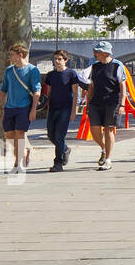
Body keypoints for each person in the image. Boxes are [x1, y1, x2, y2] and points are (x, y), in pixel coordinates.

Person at [85, 40, 130, 170]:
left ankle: (108, 160)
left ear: (105, 53)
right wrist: (88, 102)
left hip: (112, 102)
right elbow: (92, 85)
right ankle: (104, 148)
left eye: (97, 51)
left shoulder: (117, 65)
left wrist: (122, 104)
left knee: (109, 129)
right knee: (94, 131)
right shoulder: (95, 66)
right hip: (95, 101)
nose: (95, 53)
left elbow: (122, 86)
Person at [0, 44, 40, 169]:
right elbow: (3, 89)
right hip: (10, 106)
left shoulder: (32, 70)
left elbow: (37, 91)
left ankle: (18, 163)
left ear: (20, 55)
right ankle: (24, 151)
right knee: (9, 135)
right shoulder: (9, 70)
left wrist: (33, 109)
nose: (10, 56)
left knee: (19, 133)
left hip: (24, 106)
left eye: (12, 54)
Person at [40, 51, 84, 171]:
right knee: (51, 135)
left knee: (59, 136)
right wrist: (46, 105)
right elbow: (48, 93)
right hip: (53, 108)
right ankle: (65, 149)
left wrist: (74, 111)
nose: (57, 61)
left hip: (66, 108)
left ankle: (58, 163)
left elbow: (75, 93)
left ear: (66, 60)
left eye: (60, 59)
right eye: (55, 59)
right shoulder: (51, 75)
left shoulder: (71, 74)